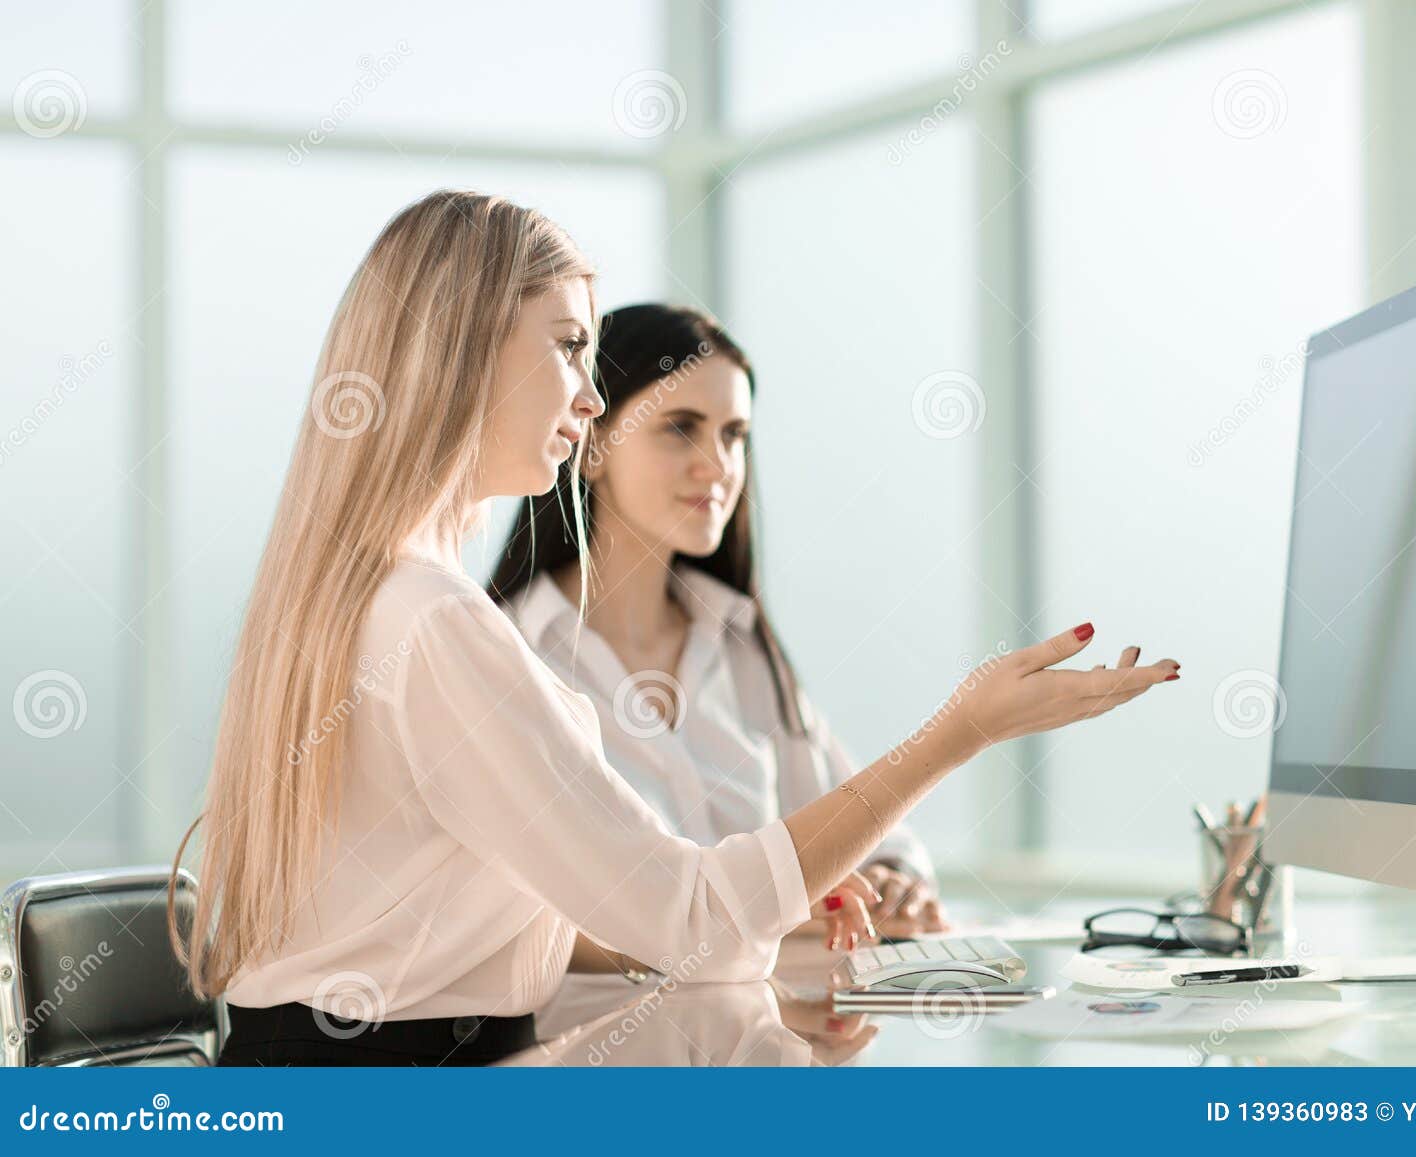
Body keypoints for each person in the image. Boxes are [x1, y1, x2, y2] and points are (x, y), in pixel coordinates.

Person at [169, 188, 1180, 1066]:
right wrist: (961, 729)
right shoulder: (435, 622)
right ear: (463, 347)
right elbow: (688, 914)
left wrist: (752, 942)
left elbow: (475, 928)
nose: (589, 392)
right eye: (568, 345)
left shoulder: (374, 599)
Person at [487, 304, 943, 947]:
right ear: (592, 447)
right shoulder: (510, 651)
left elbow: (864, 819)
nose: (720, 465)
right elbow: (511, 916)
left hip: (759, 1027)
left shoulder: (742, 643)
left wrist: (894, 875)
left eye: (734, 435)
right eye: (681, 428)